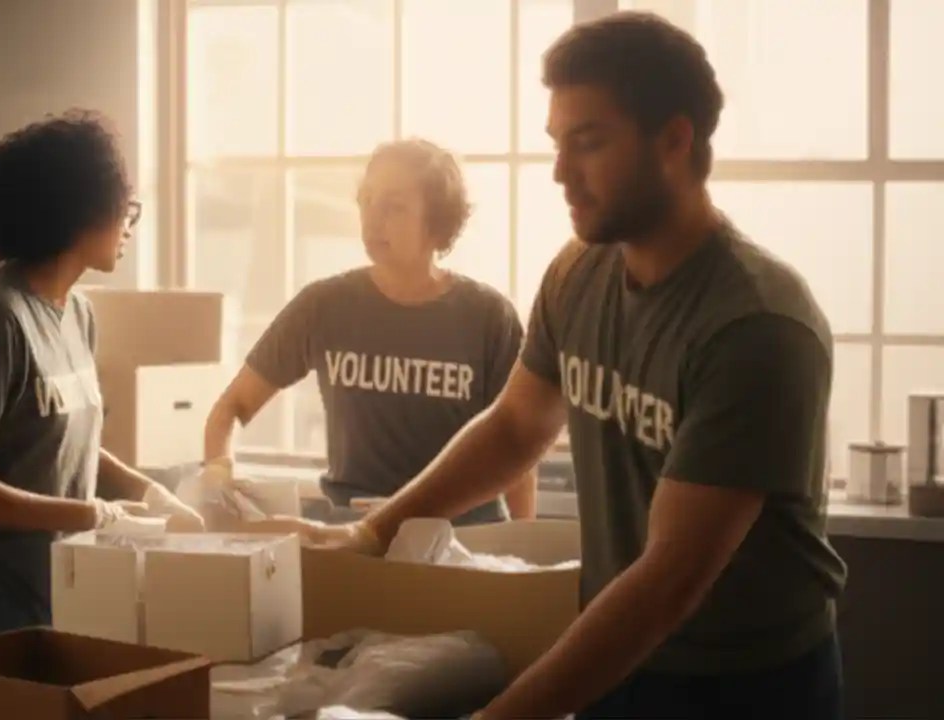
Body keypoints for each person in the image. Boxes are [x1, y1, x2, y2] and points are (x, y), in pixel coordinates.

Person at [276, 12, 847, 720]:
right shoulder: (581, 270)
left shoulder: (758, 327)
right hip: (619, 656)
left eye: (590, 143)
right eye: (556, 144)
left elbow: (668, 581)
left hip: (744, 684)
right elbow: (517, 425)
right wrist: (373, 532)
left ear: (674, 141)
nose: (559, 174)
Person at [0, 109, 204, 646]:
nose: (129, 226)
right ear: (82, 210)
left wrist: (145, 490)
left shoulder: (78, 314)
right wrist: (94, 513)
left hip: (54, 584)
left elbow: (64, 441)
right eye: (127, 209)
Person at [202, 138, 536, 528]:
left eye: (394, 207)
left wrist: (518, 550)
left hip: (461, 545)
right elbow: (231, 407)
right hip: (353, 537)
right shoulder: (323, 306)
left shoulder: (489, 318)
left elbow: (518, 451)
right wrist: (218, 478)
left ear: (437, 221)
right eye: (367, 200)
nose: (372, 219)